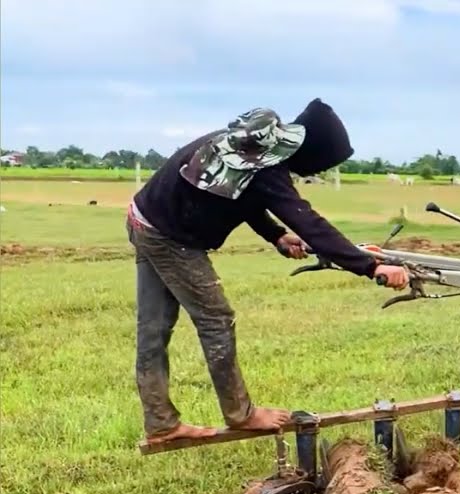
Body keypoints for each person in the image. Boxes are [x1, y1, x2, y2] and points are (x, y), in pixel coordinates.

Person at [128, 99, 410, 445]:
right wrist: (372, 266)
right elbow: (309, 223)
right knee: (216, 319)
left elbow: (240, 195)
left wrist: (275, 235)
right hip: (169, 237)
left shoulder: (253, 143)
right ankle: (241, 414)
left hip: (144, 216)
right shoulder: (268, 169)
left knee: (153, 330)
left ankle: (160, 422)